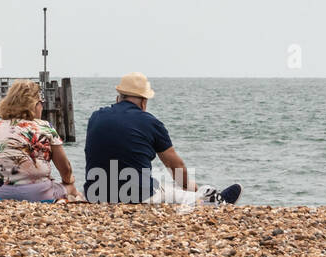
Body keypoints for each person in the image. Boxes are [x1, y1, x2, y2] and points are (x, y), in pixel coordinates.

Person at [85, 72, 241, 205]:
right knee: (174, 192)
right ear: (144, 102)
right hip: (137, 196)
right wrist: (190, 187)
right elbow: (174, 165)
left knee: (160, 186)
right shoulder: (150, 122)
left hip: (96, 194)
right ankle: (211, 199)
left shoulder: (96, 116)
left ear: (118, 98)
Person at [0, 79, 81, 202]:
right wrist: (68, 181)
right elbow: (65, 168)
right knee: (71, 188)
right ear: (33, 105)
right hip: (37, 194)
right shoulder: (45, 126)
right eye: (41, 102)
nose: (42, 107)